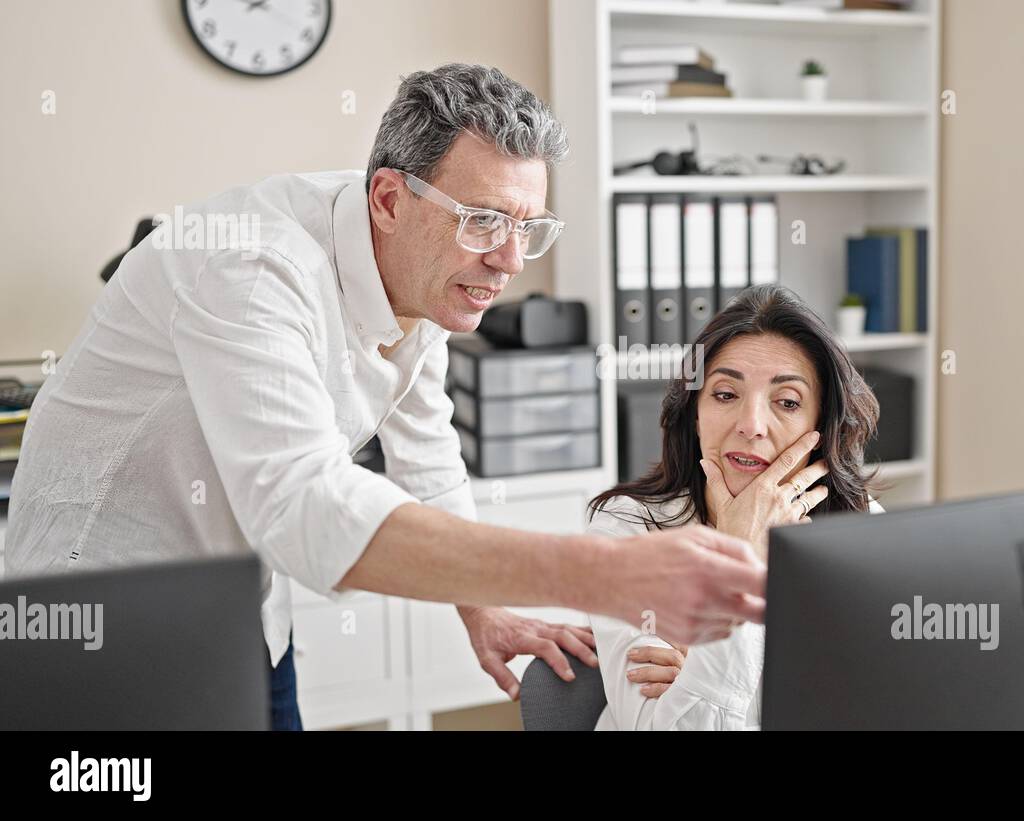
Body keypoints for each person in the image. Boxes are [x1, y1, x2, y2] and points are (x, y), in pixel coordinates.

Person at [4, 64, 764, 730]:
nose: (508, 261)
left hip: (241, 608)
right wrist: (603, 575)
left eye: (527, 228)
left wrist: (481, 605)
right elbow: (305, 506)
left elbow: (427, 454)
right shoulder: (247, 265)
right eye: (483, 221)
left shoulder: (419, 266)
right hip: (102, 619)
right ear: (390, 199)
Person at [586, 284, 885, 730]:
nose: (751, 426)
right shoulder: (625, 531)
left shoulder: (859, 528)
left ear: (822, 425)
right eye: (725, 395)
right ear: (695, 411)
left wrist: (699, 664)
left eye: (787, 402)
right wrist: (739, 553)